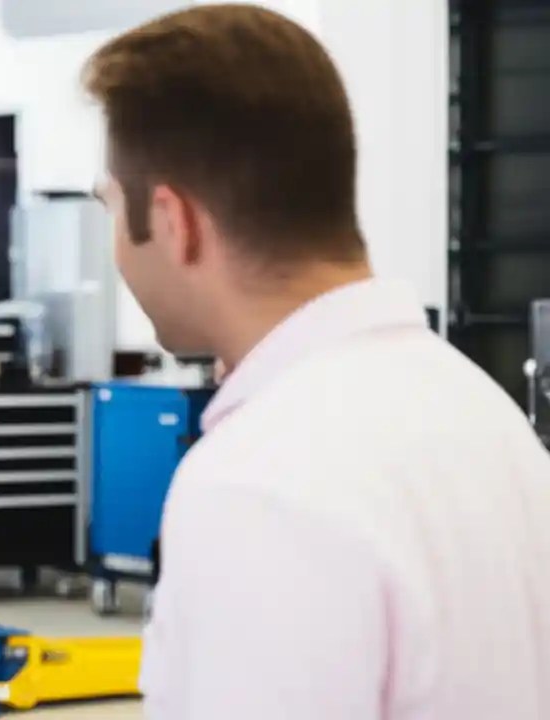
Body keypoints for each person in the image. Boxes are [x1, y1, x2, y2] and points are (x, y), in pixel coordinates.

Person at [81, 5, 550, 719]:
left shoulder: (258, 483)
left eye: (112, 209)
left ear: (175, 223)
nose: (115, 244)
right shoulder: (488, 418)